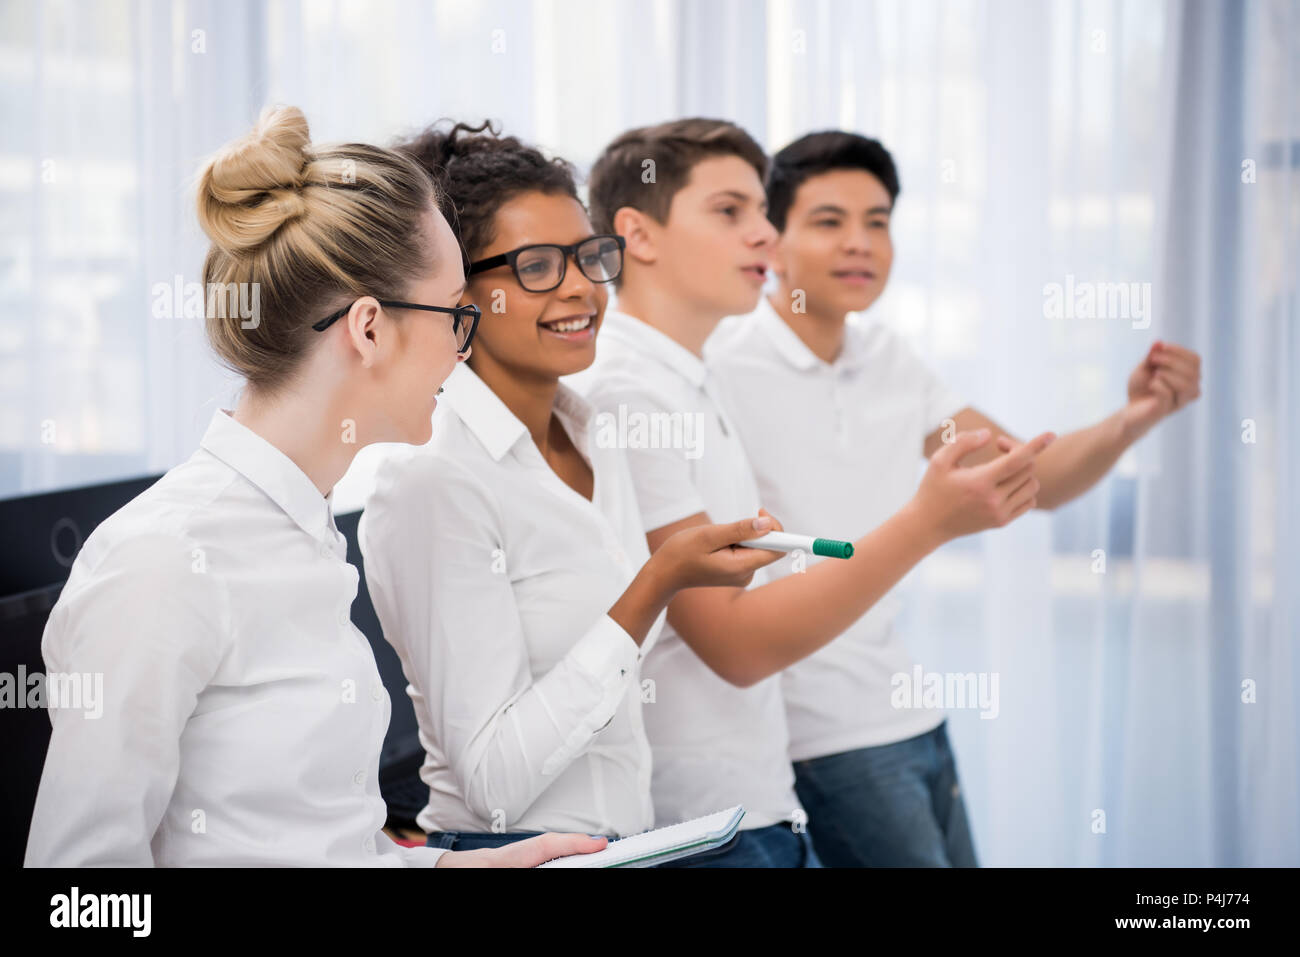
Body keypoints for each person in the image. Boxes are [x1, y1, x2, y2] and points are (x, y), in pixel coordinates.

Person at [24, 106, 605, 867]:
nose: (463, 350)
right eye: (456, 313)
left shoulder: (305, 531)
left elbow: (314, 847)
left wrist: (450, 865)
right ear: (367, 328)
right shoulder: (166, 558)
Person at [706, 130, 1204, 866]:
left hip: (913, 715)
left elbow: (1037, 477)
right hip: (821, 737)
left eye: (878, 221)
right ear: (771, 244)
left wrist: (1134, 419)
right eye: (830, 220)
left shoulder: (891, 361)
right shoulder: (723, 368)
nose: (861, 243)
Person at [567, 118, 1054, 867]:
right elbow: (732, 641)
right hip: (701, 816)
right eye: (732, 212)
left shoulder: (690, 379)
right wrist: (927, 522)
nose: (766, 236)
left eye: (763, 212)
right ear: (639, 233)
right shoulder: (630, 394)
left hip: (757, 799)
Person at [359, 121, 782, 854]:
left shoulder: (594, 437)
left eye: (588, 257)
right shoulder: (435, 478)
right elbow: (493, 780)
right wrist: (656, 583)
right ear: (458, 291)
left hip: (626, 845)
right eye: (536, 266)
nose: (582, 287)